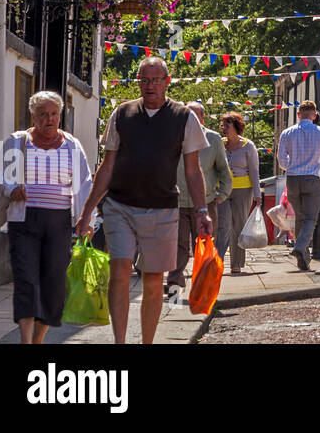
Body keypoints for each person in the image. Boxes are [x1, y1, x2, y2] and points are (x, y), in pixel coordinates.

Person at [75, 57, 211, 344]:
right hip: (120, 204)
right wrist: (87, 212)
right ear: (138, 81)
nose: (150, 86)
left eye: (156, 80)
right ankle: (120, 341)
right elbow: (106, 166)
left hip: (162, 208)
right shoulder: (122, 114)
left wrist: (202, 211)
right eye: (144, 80)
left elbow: (192, 171)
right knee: (120, 268)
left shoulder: (184, 118)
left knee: (152, 279)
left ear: (167, 81)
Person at [0, 92, 95, 344]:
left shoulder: (72, 145)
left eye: (53, 114)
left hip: (59, 222)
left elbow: (84, 184)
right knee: (26, 281)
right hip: (24, 221)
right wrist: (10, 188)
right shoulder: (17, 142)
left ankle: (38, 340)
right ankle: (26, 341)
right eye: (43, 114)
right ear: (33, 116)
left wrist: (87, 220)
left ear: (59, 116)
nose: (49, 119)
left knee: (53, 286)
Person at [167, 102, 232, 291]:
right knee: (178, 249)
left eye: (195, 116)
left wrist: (221, 195)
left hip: (205, 203)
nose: (190, 120)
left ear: (203, 118)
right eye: (187, 116)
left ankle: (203, 290)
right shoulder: (172, 137)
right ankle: (174, 289)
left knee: (204, 247)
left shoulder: (213, 139)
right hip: (177, 203)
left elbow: (224, 171)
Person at [275, 100, 320, 271]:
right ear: (315, 116)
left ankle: (303, 261)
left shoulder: (287, 133)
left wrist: (292, 167)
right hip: (312, 178)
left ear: (298, 114)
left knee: (300, 218)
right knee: (311, 218)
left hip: (293, 179)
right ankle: (300, 248)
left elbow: (281, 160)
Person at [217, 112, 261, 274]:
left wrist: (258, 195)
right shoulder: (219, 144)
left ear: (236, 127)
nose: (224, 128)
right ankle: (218, 261)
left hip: (243, 190)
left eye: (227, 125)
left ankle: (236, 264)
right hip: (222, 189)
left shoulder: (248, 146)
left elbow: (254, 171)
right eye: (223, 125)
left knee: (238, 226)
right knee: (223, 226)